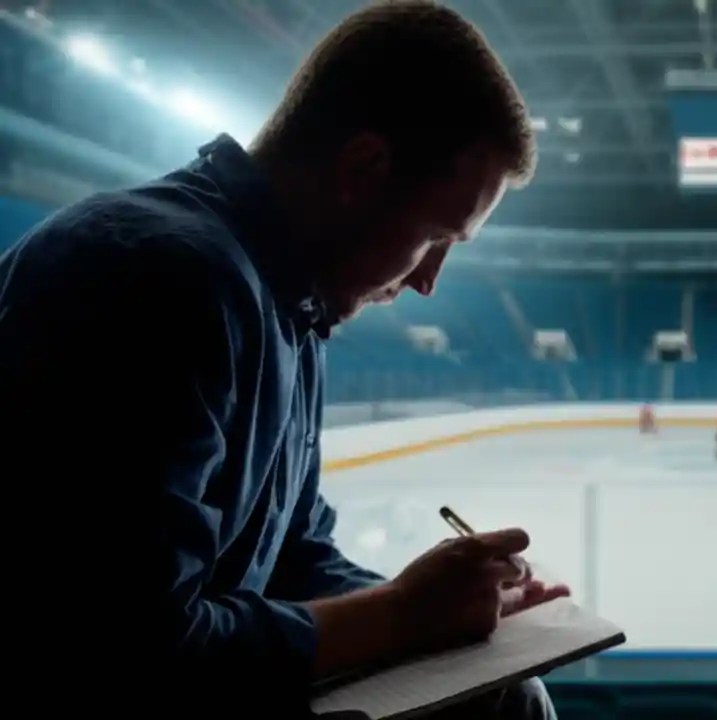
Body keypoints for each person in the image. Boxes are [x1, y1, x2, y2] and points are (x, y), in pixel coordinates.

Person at [0, 2, 569, 717]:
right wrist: (400, 613)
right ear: (362, 169)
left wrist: (460, 609)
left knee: (505, 696)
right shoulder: (157, 277)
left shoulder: (293, 306)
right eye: (436, 238)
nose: (429, 282)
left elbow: (294, 559)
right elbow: (121, 650)